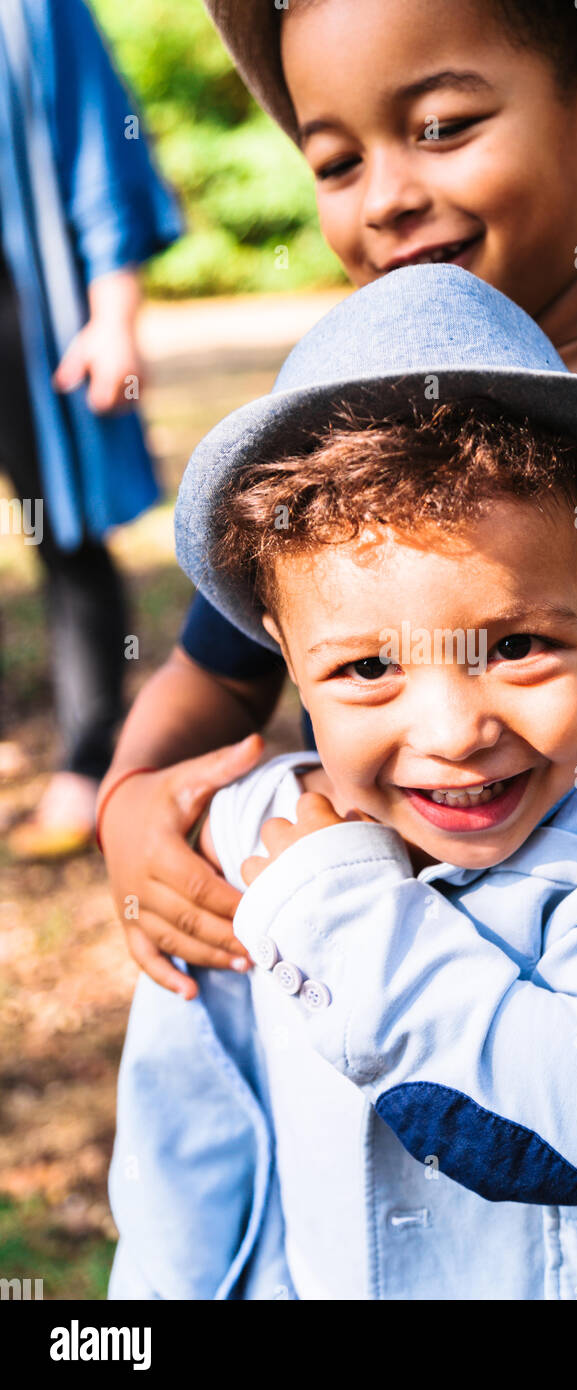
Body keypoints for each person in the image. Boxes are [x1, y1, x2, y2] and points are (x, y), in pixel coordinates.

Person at [98, 0, 577, 1298]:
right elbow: (209, 673)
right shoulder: (324, 474)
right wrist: (130, 808)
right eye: (336, 158)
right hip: (389, 1074)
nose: (387, 195)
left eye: (441, 125)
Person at [109, 264, 577, 1301]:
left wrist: (345, 912)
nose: (455, 732)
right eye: (368, 667)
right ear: (286, 656)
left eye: (514, 645)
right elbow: (190, 1152)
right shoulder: (245, 840)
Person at [0, 0, 182, 856]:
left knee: (65, 537)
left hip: (28, 318)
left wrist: (115, 316)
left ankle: (86, 758)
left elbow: (99, 144)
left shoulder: (36, 10)